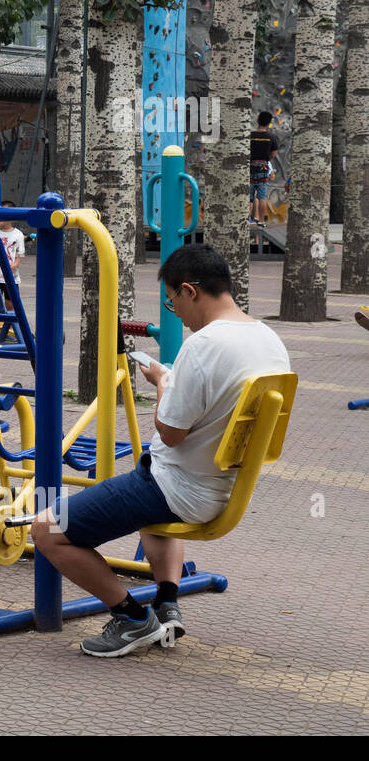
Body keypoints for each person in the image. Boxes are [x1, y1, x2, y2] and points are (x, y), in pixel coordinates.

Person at [31, 244, 289, 657]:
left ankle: (132, 618)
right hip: (224, 485)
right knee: (148, 492)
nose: (178, 316)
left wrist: (163, 384)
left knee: (47, 531)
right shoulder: (270, 340)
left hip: (177, 488)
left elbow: (170, 432)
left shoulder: (203, 346)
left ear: (190, 290)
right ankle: (167, 604)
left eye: (173, 304)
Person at [249, 112, 280, 227]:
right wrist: (266, 159)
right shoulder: (271, 137)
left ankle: (247, 219)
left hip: (250, 167)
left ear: (258, 120)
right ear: (269, 122)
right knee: (262, 196)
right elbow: (274, 153)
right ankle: (261, 221)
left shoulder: (250, 135)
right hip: (263, 168)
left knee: (249, 196)